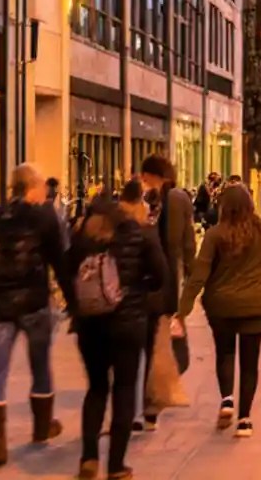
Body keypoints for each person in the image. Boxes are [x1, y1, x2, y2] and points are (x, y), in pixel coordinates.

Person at [0, 163, 72, 467]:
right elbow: (60, 260)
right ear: (32, 187)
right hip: (34, 303)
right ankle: (41, 429)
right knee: (40, 365)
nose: (45, 192)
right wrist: (73, 301)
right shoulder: (44, 216)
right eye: (42, 186)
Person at [67, 183, 168, 480]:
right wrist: (138, 290)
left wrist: (78, 305)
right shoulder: (143, 234)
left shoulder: (83, 239)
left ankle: (88, 458)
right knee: (124, 391)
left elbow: (67, 270)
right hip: (128, 324)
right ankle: (116, 466)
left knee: (96, 389)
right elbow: (161, 276)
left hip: (90, 325)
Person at [177, 185, 261, 438]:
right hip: (254, 306)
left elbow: (199, 276)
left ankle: (227, 400)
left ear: (224, 207)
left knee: (225, 354)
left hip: (221, 306)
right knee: (249, 364)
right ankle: (245, 420)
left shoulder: (215, 235)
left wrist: (182, 310)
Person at [135, 155, 195, 432]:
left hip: (148, 284)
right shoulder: (181, 199)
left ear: (152, 176)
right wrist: (193, 279)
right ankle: (152, 405)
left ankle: (151, 404)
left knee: (154, 346)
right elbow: (188, 245)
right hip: (171, 283)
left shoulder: (147, 201)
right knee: (166, 343)